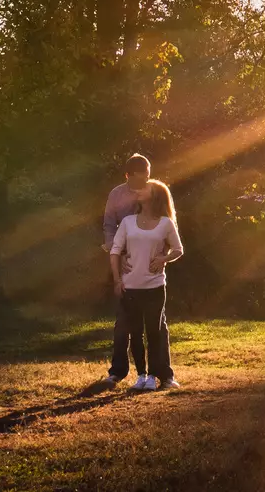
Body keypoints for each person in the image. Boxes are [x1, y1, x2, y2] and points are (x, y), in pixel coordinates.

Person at [109, 179, 184, 390]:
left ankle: (153, 376)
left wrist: (163, 259)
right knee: (135, 332)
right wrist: (117, 280)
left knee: (154, 330)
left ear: (155, 196)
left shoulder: (165, 223)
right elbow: (115, 250)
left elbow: (178, 249)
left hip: (155, 286)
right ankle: (140, 375)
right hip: (130, 285)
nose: (140, 190)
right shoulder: (128, 222)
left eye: (145, 188)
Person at [102, 153, 151, 384]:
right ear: (128, 175)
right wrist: (115, 251)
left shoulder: (154, 192)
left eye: (147, 178)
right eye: (140, 179)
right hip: (124, 262)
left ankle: (161, 372)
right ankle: (118, 371)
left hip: (149, 262)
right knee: (123, 320)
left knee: (155, 322)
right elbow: (109, 224)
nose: (145, 182)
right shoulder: (116, 194)